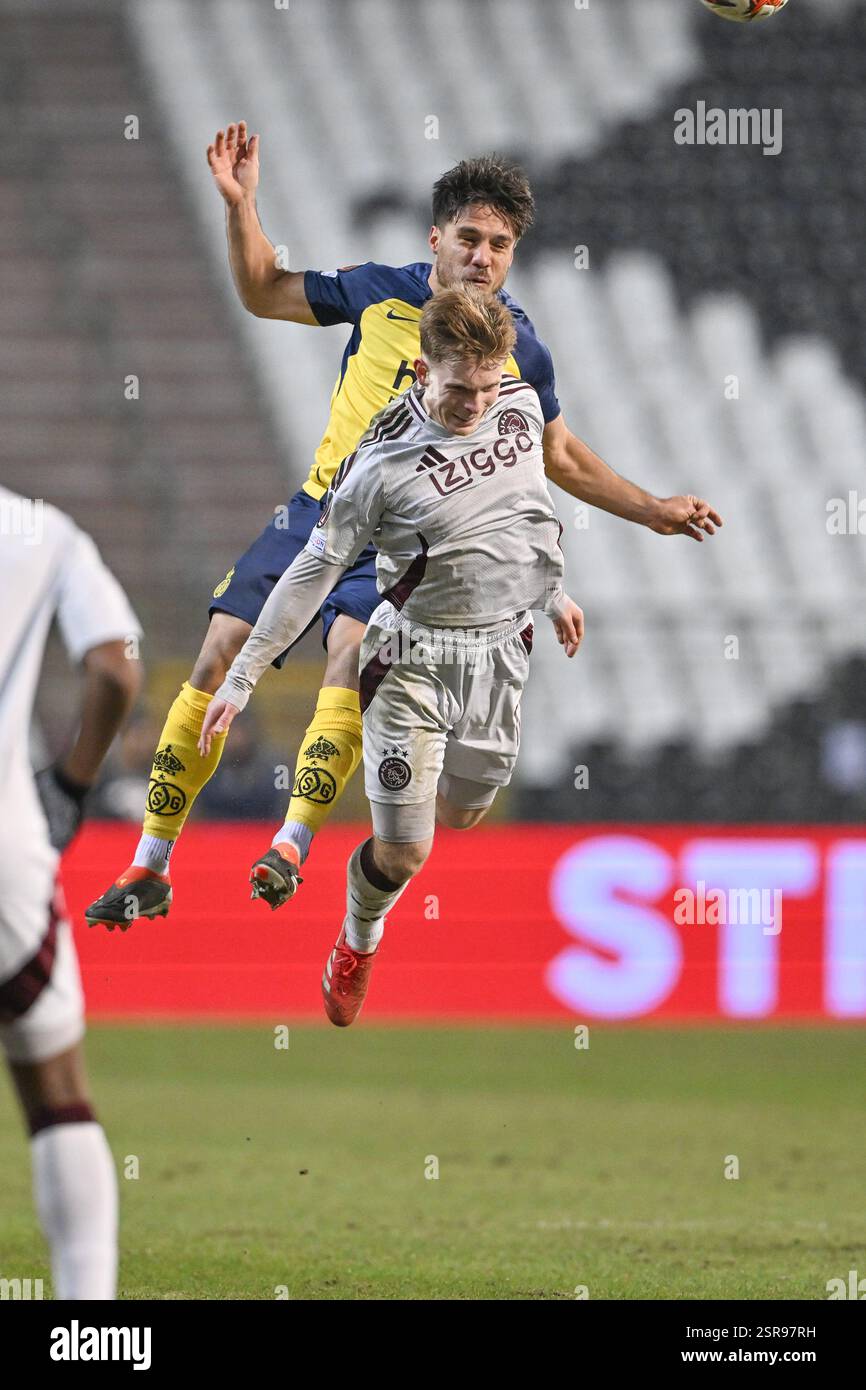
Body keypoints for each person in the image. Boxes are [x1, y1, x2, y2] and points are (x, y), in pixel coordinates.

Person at [86, 123, 721, 930]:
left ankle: (289, 844)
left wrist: (652, 508)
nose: (484, 256)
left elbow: (558, 456)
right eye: (470, 238)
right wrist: (243, 207)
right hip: (318, 507)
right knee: (217, 653)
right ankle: (150, 863)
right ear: (437, 239)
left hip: (403, 542)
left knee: (349, 657)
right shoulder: (378, 289)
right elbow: (262, 290)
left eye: (500, 244)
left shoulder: (520, 349)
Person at [198, 287, 582, 1024]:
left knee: (465, 816)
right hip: (411, 661)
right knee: (406, 856)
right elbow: (313, 569)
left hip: (502, 651)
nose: (476, 403)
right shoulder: (379, 462)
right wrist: (242, 678)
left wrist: (552, 593)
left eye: (488, 383)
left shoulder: (519, 403)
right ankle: (357, 939)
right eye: (459, 387)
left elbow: (527, 509)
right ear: (419, 369)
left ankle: (414, 798)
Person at [0, 487, 142, 1296]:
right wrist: (71, 785)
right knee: (56, 1092)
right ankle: (86, 1325)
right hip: (6, 848)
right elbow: (116, 669)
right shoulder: (43, 533)